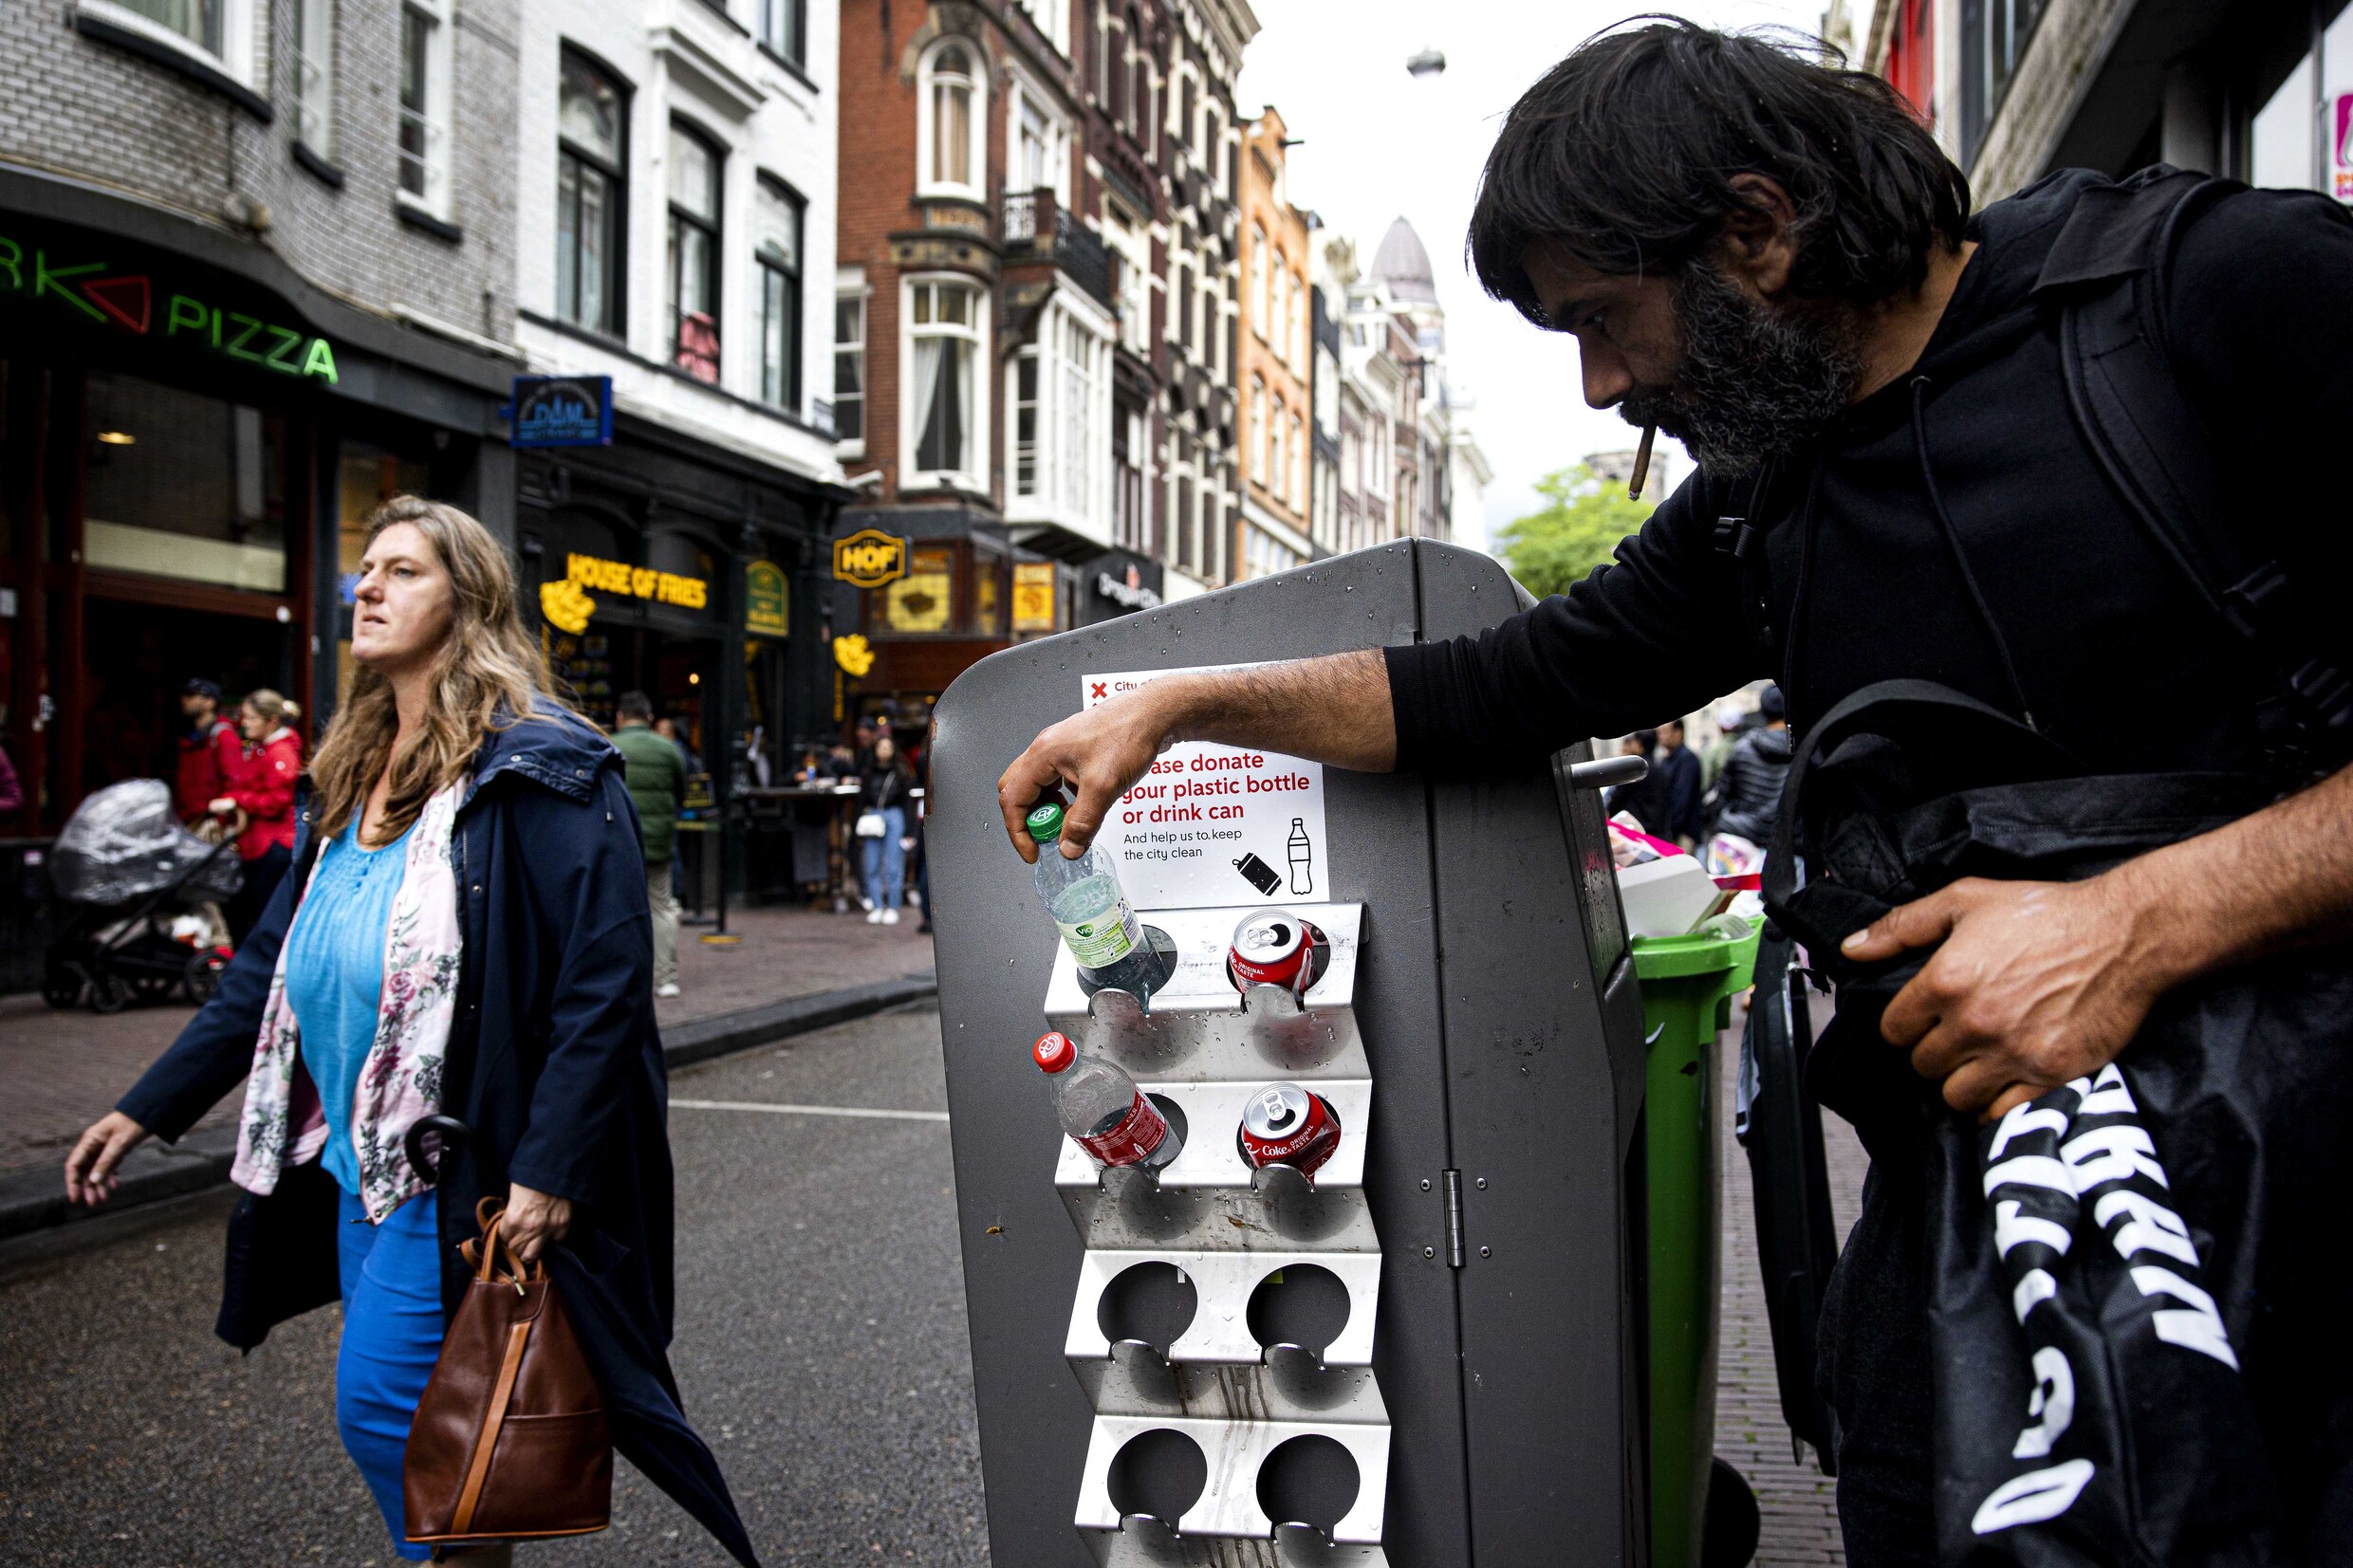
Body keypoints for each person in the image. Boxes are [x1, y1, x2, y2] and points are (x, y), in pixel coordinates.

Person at [993, 22, 2353, 1560]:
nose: (1597, 388)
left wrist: (2142, 920)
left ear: (1758, 234)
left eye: (1603, 319)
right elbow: (1500, 687)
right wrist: (1189, 707)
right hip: (1965, 1223)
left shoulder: (2214, 299)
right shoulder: (1762, 498)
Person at [63, 497, 756, 1567]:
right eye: (365, 571)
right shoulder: (351, 770)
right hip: (356, 1159)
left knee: (386, 1411)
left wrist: (549, 1168)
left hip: (460, 1159)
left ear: (468, 600)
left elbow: (604, 983)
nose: (367, 589)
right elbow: (273, 966)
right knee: (439, 1416)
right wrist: (144, 1107)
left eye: (402, 571)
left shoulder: (543, 764)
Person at [613, 690, 687, 1000]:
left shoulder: (610, 746)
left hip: (620, 842)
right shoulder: (668, 749)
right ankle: (665, 978)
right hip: (658, 840)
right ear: (650, 718)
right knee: (661, 906)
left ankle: (622, 977)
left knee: (618, 909)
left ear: (619, 717)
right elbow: (682, 791)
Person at [213, 689, 301, 942]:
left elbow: (277, 801)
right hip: (256, 843)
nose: (245, 723)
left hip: (271, 845)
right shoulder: (263, 749)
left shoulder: (279, 753)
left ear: (271, 721)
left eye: (251, 718)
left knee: (265, 912)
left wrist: (237, 801)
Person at [1711, 686, 1790, 847]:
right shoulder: (1802, 749)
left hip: (1742, 838)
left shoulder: (1742, 748)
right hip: (1789, 842)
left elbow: (1722, 795)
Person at [859, 732, 915, 924]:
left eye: (888, 748)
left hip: (894, 815)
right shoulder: (867, 772)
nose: (884, 751)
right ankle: (876, 905)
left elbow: (908, 802)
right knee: (871, 863)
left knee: (893, 864)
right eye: (881, 747)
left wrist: (909, 831)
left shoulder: (900, 772)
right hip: (873, 816)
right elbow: (861, 799)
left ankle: (892, 906)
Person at [175, 678, 240, 823]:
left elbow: (233, 783)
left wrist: (220, 821)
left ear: (209, 702)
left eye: (191, 696)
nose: (184, 700)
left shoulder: (224, 737)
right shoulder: (191, 737)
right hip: (188, 819)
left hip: (210, 822)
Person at [1655, 718, 1705, 846]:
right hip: (1669, 832)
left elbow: (1682, 799)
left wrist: (1672, 832)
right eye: (1659, 732)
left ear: (1678, 733)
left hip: (1683, 833)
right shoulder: (1665, 760)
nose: (1661, 736)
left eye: (1665, 732)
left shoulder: (1687, 759)